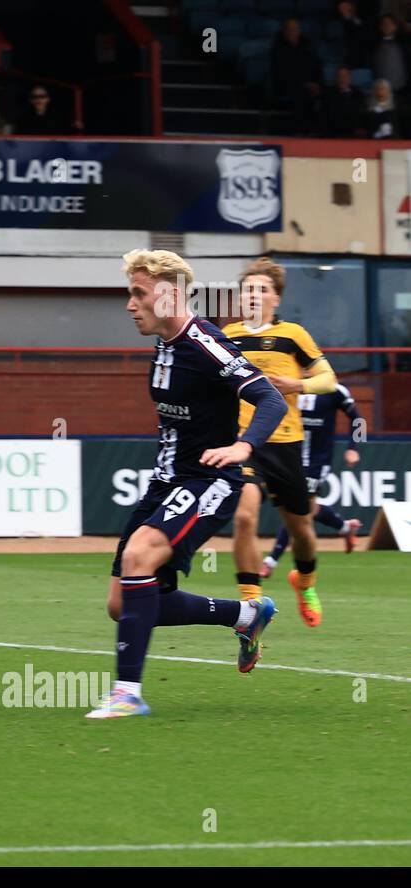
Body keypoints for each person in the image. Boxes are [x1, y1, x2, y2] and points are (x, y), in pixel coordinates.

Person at [89, 250, 286, 719]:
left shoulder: (205, 344)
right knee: (124, 603)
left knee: (139, 556)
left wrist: (243, 447)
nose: (129, 304)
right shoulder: (164, 343)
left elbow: (270, 399)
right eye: (130, 293)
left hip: (210, 479)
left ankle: (127, 693)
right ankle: (245, 615)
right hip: (167, 481)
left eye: (138, 294)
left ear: (169, 294)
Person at [222, 258, 337, 628]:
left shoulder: (293, 334)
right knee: (243, 517)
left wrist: (296, 385)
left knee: (302, 528)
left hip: (286, 442)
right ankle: (251, 606)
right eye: (248, 289)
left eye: (262, 289)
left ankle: (305, 582)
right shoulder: (228, 336)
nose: (254, 295)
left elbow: (329, 380)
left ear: (275, 298)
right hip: (244, 442)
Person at [261, 384, 364, 576]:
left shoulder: (333, 390)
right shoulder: (283, 385)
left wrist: (354, 448)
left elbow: (359, 420)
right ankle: (344, 527)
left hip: (317, 463)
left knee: (300, 511)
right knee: (309, 509)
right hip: (289, 459)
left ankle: (271, 560)